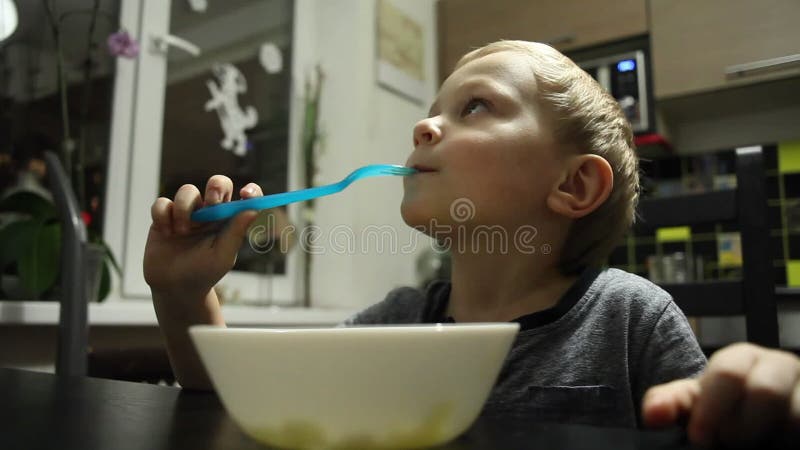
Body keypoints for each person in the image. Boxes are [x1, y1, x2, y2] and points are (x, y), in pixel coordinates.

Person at [144, 40, 798, 446]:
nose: (425, 123)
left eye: (476, 106)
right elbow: (245, 404)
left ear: (572, 185)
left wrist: (756, 412)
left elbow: (725, 424)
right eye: (433, 108)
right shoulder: (398, 322)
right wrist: (182, 296)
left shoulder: (633, 323)